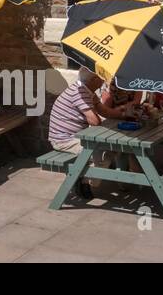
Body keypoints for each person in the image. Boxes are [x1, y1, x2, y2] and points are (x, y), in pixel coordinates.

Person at [47, 68, 132, 199]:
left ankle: (84, 179)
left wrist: (124, 115)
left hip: (75, 137)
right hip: (64, 140)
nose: (104, 80)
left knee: (111, 150)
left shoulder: (87, 91)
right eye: (101, 77)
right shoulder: (79, 93)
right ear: (93, 80)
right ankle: (84, 181)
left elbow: (106, 112)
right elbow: (95, 121)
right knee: (103, 153)